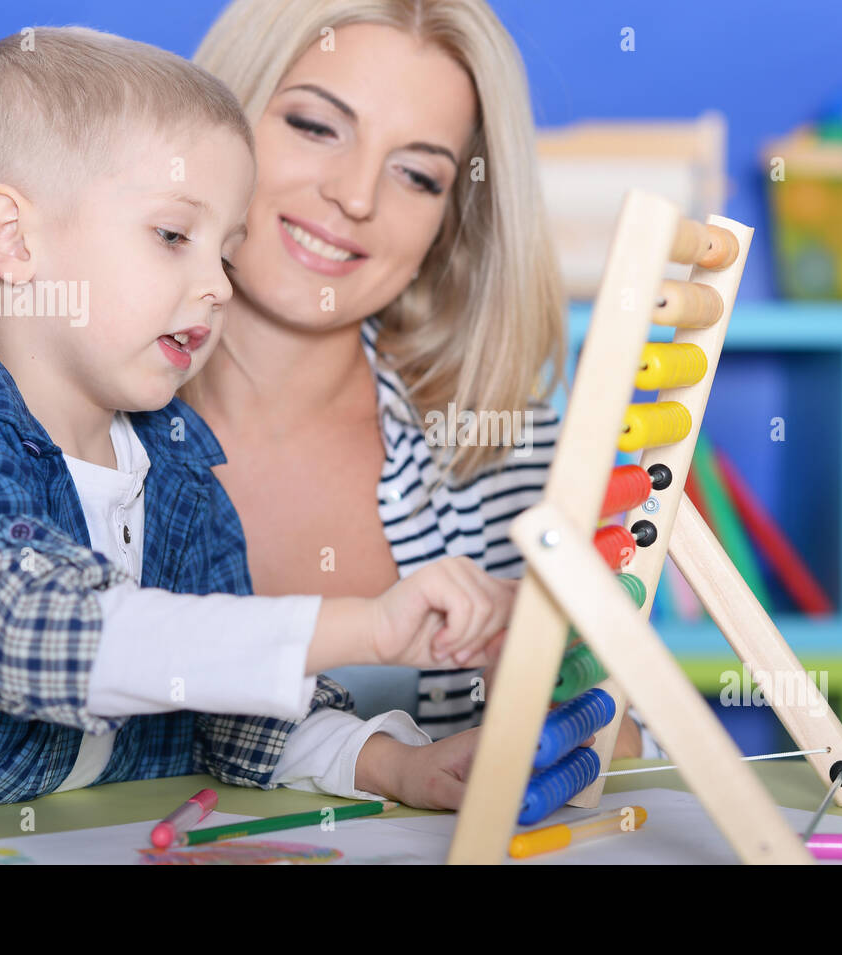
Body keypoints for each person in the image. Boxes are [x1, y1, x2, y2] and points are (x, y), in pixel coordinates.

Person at [0, 26, 513, 836]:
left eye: (226, 252)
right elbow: (37, 635)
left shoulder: (176, 465)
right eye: (173, 237)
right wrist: (364, 626)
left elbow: (229, 701)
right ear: (14, 240)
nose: (217, 286)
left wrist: (390, 761)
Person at [183, 0, 657, 805]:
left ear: (450, 221)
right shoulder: (62, 420)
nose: (355, 195)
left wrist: (547, 694)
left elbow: (629, 749)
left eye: (418, 174)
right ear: (215, 122)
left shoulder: (503, 454)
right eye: (316, 126)